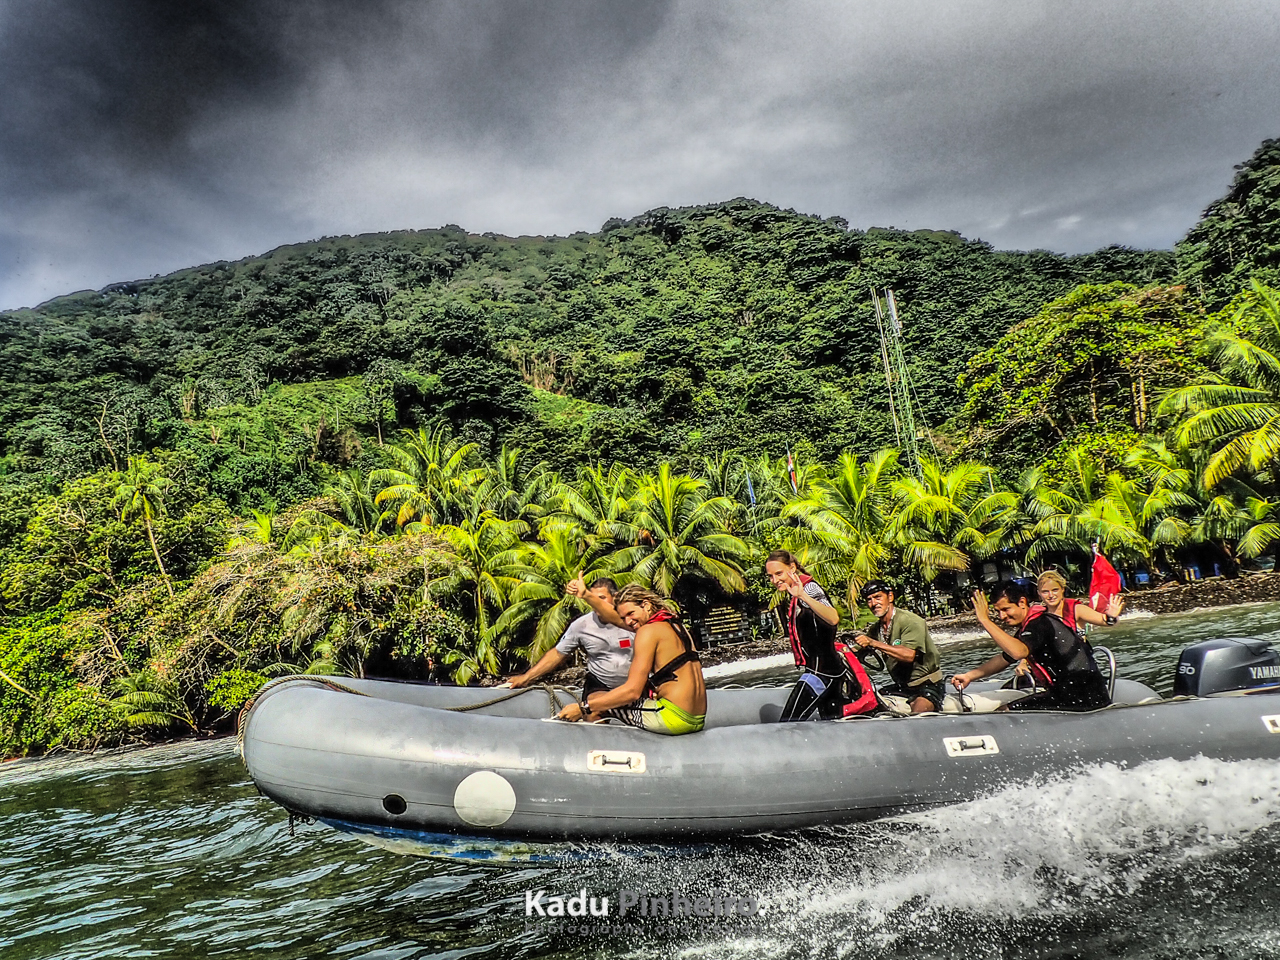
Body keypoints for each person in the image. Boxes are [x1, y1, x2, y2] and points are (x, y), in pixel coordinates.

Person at [556, 584, 706, 735]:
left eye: (630, 613)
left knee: (595, 699)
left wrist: (583, 708)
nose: (627, 622)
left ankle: (599, 752)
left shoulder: (647, 632)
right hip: (697, 718)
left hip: (672, 717)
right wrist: (586, 595)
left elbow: (632, 692)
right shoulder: (676, 625)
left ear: (646, 605)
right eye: (623, 618)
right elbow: (612, 617)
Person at [952, 580, 1110, 711]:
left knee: (1003, 712)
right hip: (1066, 693)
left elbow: (1018, 652)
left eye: (1006, 609)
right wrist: (969, 676)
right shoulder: (1029, 626)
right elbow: (1005, 658)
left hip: (1082, 695)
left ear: (1022, 602)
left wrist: (985, 620)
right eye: (998, 612)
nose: (1002, 616)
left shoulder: (1039, 624)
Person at [764, 550, 854, 721]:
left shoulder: (809, 589)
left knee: (788, 723)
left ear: (792, 568)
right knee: (830, 722)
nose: (775, 580)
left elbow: (833, 618)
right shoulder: (795, 594)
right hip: (823, 671)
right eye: (770, 576)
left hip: (823, 673)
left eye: (779, 573)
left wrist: (803, 595)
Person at [505, 577, 632, 698]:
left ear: (615, 597)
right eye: (592, 598)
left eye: (601, 598)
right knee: (594, 711)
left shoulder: (631, 621)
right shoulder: (581, 625)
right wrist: (526, 677)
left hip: (633, 684)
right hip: (601, 683)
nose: (596, 602)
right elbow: (557, 653)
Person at [853, 580, 944, 713]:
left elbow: (908, 655)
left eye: (878, 597)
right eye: (869, 600)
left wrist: (873, 643)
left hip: (927, 684)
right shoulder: (875, 629)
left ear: (890, 597)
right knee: (870, 703)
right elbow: (858, 651)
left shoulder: (910, 621)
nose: (873, 604)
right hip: (902, 686)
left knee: (919, 713)